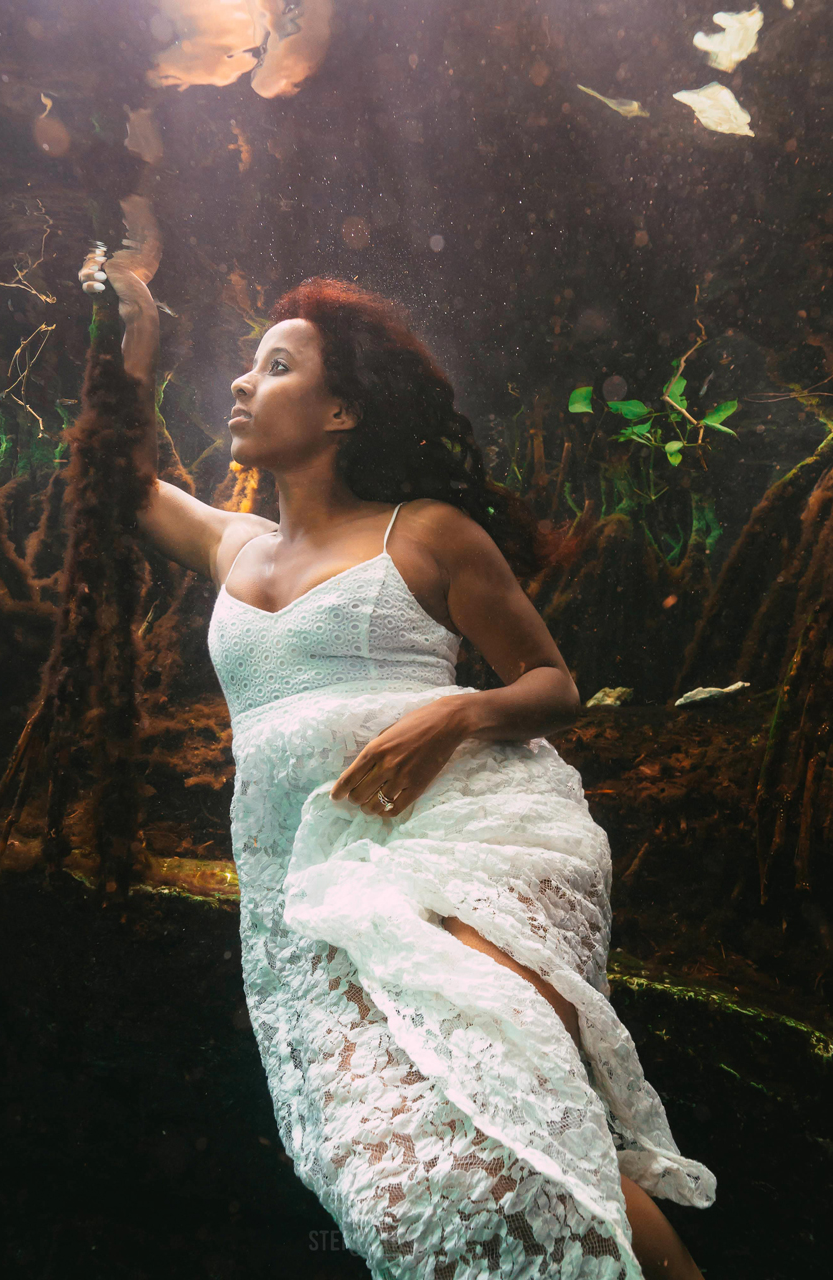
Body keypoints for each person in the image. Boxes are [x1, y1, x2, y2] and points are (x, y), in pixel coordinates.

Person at [81, 244, 714, 1280]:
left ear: (342, 410)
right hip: (300, 883)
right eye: (248, 366)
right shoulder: (232, 547)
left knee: (515, 1095)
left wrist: (455, 715)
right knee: (397, 1165)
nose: (245, 383)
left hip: (456, 840)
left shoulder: (425, 534)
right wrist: (135, 336)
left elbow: (552, 684)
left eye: (278, 366)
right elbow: (117, 475)